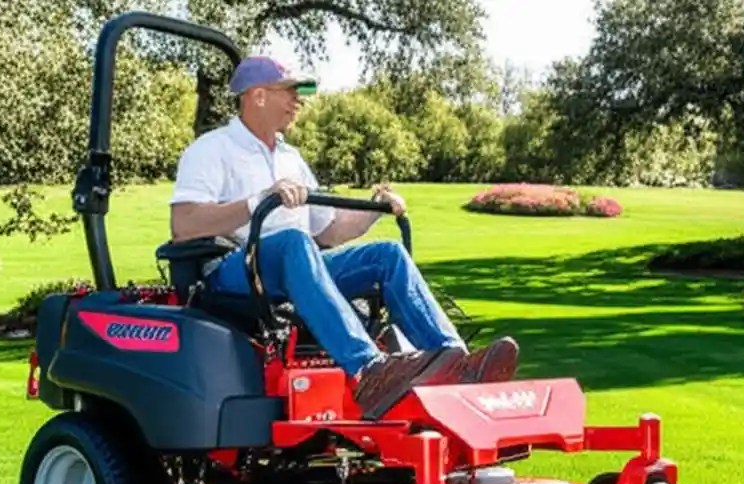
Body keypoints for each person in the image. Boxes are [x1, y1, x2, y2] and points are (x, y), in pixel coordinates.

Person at [167, 56, 518, 419]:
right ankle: (370, 370)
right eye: (289, 91)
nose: (298, 100)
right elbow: (184, 224)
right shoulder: (212, 149)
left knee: (387, 255)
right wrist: (257, 201)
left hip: (297, 263)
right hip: (234, 270)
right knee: (292, 241)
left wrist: (375, 209)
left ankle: (459, 364)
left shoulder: (291, 158)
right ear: (257, 96)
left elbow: (328, 231)